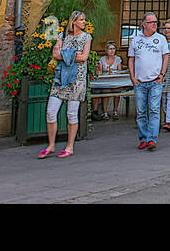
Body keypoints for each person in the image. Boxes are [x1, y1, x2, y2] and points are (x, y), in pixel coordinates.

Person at [40, 10, 91, 159]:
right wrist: (74, 54)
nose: (84, 22)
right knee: (50, 111)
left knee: (71, 114)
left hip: (77, 79)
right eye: (81, 20)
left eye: (84, 19)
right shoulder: (62, 36)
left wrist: (65, 54)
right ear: (73, 21)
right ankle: (51, 145)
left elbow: (84, 57)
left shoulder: (86, 37)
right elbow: (55, 54)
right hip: (61, 78)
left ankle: (70, 146)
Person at [127, 12, 169, 150]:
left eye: (156, 22)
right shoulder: (136, 40)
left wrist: (162, 74)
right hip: (140, 81)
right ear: (144, 24)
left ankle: (152, 139)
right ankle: (143, 138)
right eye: (152, 22)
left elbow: (165, 57)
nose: (155, 24)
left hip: (155, 80)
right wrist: (132, 77)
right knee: (141, 112)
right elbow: (131, 59)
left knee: (155, 110)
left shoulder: (161, 39)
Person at [95, 40, 124, 119]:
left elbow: (119, 71)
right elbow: (99, 71)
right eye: (110, 49)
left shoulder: (118, 59)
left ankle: (115, 111)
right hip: (105, 81)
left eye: (113, 49)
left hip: (115, 81)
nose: (112, 51)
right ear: (106, 50)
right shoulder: (102, 59)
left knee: (117, 92)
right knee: (106, 92)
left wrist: (114, 72)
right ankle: (105, 112)